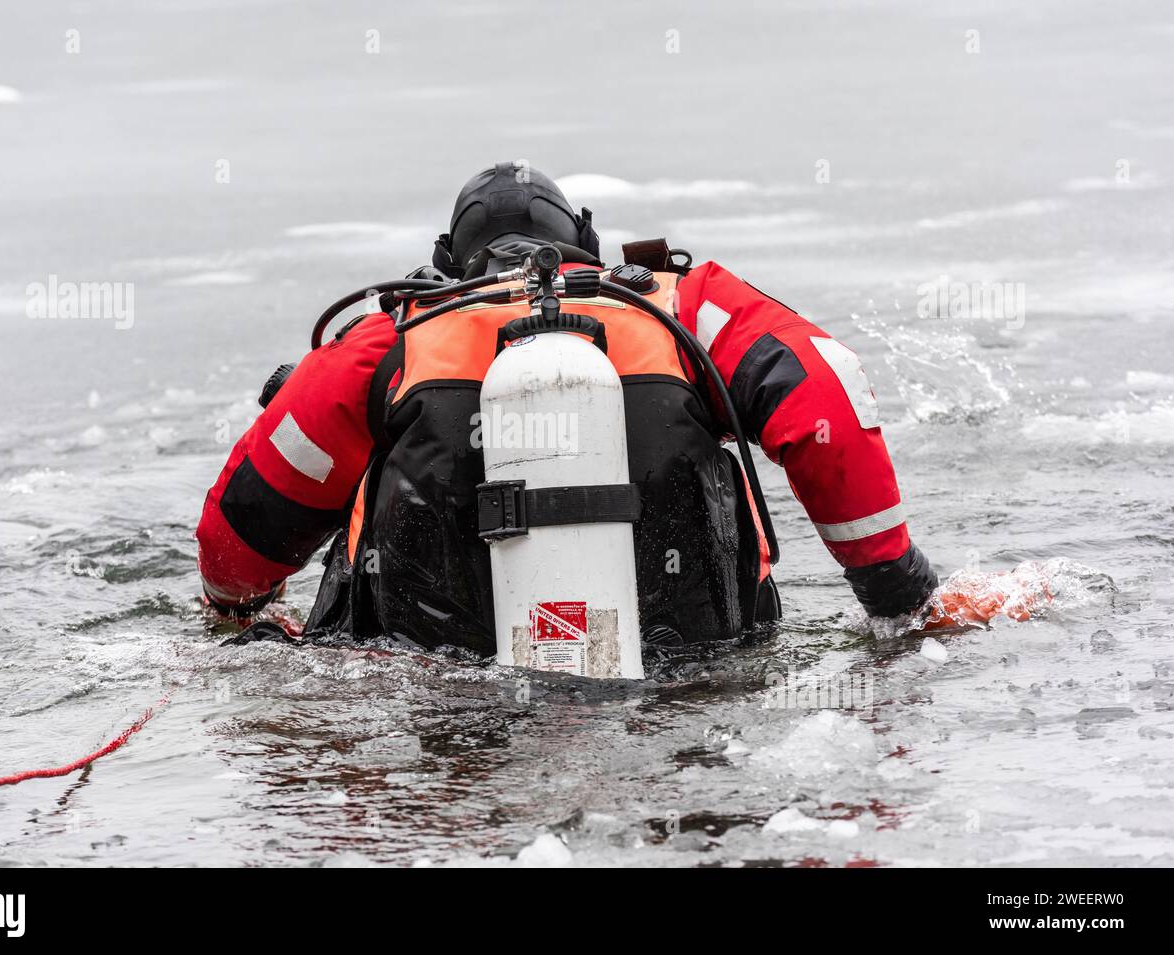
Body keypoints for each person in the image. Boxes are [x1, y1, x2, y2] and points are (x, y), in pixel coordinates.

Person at [195, 162, 939, 653]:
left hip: (440, 701)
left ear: (447, 263)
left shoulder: (391, 339)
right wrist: (895, 591)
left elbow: (240, 531)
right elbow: (827, 396)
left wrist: (236, 611)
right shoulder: (682, 308)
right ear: (586, 242)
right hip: (689, 671)